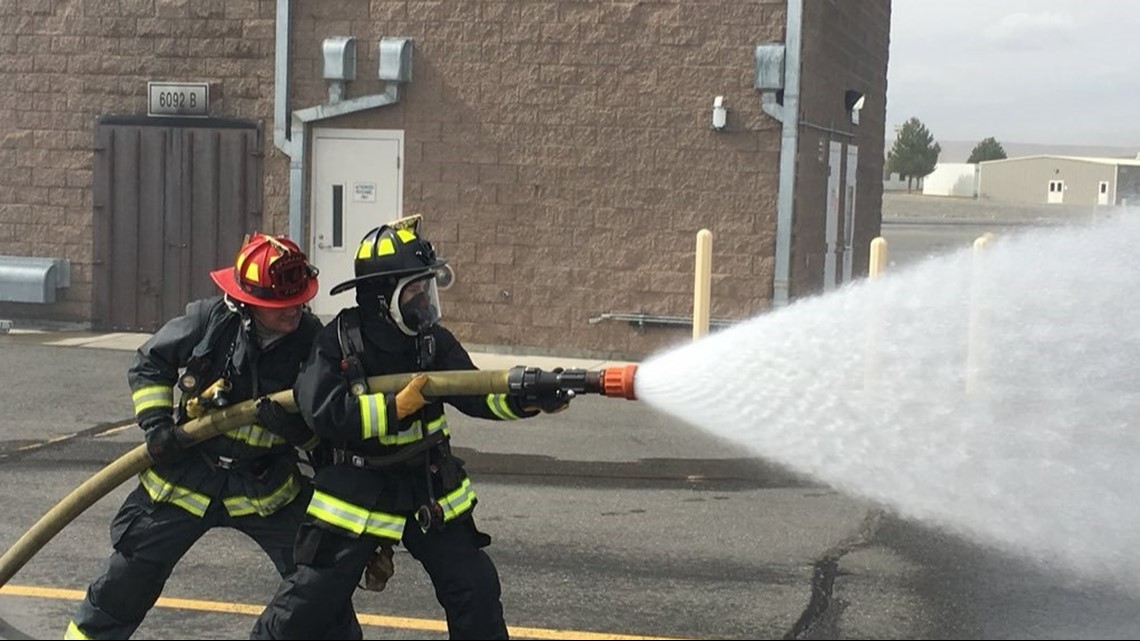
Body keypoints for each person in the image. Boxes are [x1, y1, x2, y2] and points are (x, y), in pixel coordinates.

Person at [250, 216, 571, 640]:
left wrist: (529, 399)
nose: (425, 304)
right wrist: (395, 408)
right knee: (310, 602)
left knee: (475, 591)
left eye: (428, 291)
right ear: (383, 298)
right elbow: (323, 414)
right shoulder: (338, 342)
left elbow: (474, 392)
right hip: (358, 488)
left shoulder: (433, 342)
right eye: (415, 293)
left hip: (427, 485)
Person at [64, 233, 360, 640]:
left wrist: (299, 429)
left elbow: (330, 414)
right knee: (127, 578)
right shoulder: (209, 323)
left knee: (320, 585)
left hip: (266, 486)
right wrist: (156, 426)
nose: (293, 310)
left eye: (298, 300)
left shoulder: (313, 340)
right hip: (187, 474)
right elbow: (151, 363)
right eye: (280, 304)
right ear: (247, 301)